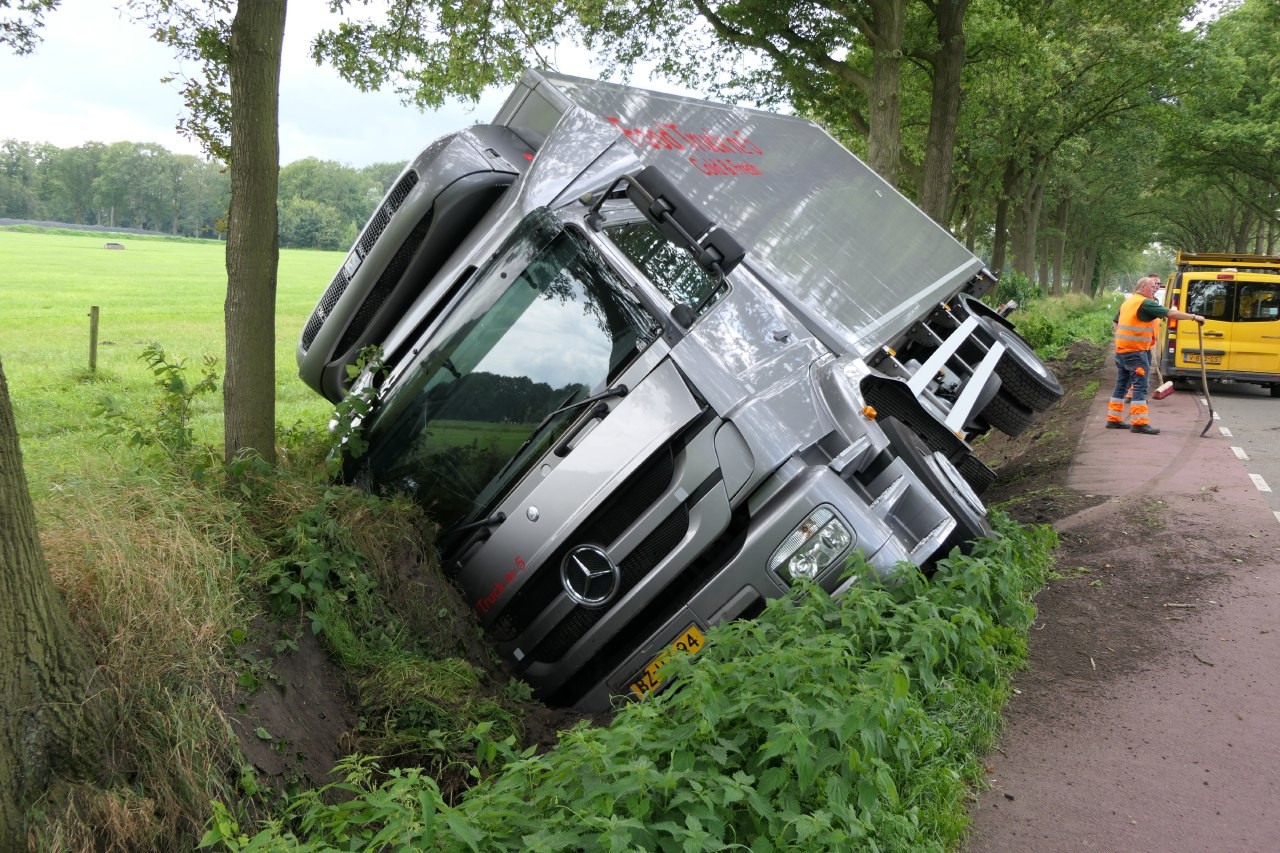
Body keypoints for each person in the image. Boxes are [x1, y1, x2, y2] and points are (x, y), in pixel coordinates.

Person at [1107, 275, 1204, 435]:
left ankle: (1113, 418)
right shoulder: (1145, 303)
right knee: (1140, 385)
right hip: (1136, 351)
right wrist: (1194, 317)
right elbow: (1170, 314)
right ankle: (1139, 423)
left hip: (1123, 350)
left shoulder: (1129, 302)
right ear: (1143, 287)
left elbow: (1117, 321)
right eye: (1152, 286)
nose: (1155, 289)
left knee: (1122, 385)